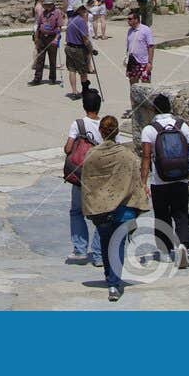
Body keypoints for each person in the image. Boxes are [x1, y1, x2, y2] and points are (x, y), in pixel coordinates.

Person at [80, 114, 149, 302]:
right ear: (117, 131)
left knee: (105, 242)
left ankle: (110, 278)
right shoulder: (127, 155)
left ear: (100, 132)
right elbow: (136, 181)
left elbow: (87, 181)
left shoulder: (92, 155)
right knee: (117, 244)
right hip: (123, 209)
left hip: (101, 208)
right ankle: (114, 282)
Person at [141, 93, 189, 268]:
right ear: (170, 108)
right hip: (180, 180)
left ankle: (165, 252)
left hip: (159, 181)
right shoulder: (182, 126)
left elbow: (146, 157)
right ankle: (183, 244)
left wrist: (143, 181)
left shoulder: (150, 129)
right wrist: (186, 166)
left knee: (162, 216)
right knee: (181, 214)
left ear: (153, 110)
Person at [62, 87, 104, 267]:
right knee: (101, 215)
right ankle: (99, 255)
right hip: (99, 178)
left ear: (84, 106)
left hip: (80, 176)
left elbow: (68, 148)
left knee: (77, 211)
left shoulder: (78, 124)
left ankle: (80, 249)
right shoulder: (106, 126)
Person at [64, 0, 94, 98]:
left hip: (69, 46)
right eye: (83, 9)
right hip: (78, 49)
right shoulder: (81, 21)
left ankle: (74, 91)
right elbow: (85, 39)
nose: (85, 11)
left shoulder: (71, 19)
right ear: (80, 10)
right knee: (83, 71)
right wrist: (91, 49)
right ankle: (85, 90)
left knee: (72, 70)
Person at [31, 0, 62, 86]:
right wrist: (36, 38)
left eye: (48, 5)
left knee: (52, 59)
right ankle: (37, 78)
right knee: (40, 58)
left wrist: (56, 38)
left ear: (52, 5)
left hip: (52, 37)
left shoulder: (57, 13)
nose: (46, 6)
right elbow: (38, 26)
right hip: (42, 38)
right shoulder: (43, 13)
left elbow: (59, 27)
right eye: (45, 5)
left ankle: (52, 78)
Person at [125, 9, 155, 84]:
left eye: (130, 19)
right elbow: (128, 47)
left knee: (146, 86)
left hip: (143, 63)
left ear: (136, 19)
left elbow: (151, 47)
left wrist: (150, 63)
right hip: (132, 62)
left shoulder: (146, 30)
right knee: (133, 86)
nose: (128, 21)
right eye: (127, 19)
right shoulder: (130, 31)